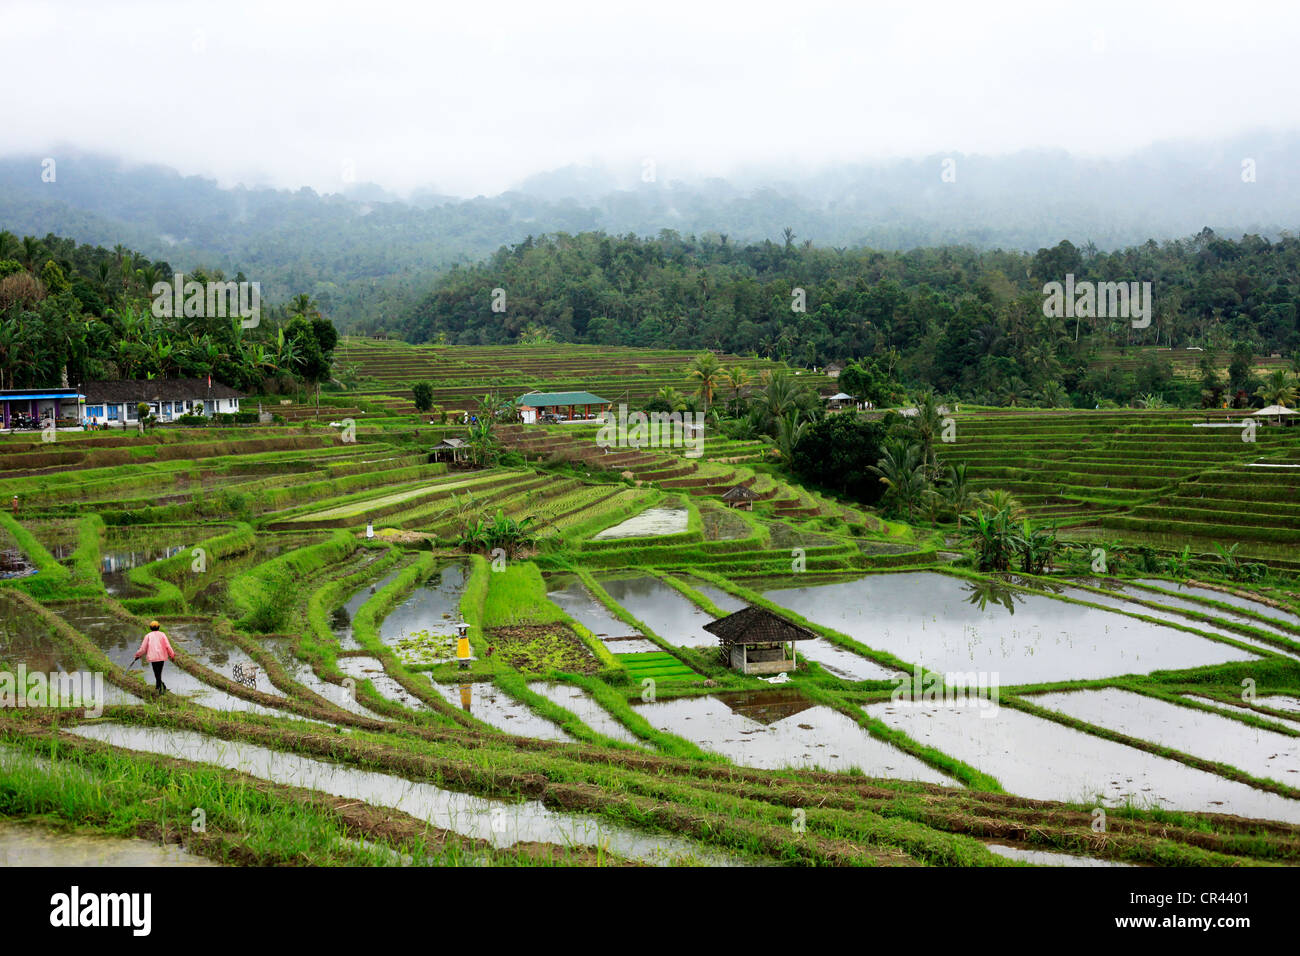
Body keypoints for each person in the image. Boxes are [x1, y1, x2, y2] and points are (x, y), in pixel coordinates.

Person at [134, 620, 176, 693]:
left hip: (153, 657)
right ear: (158, 627)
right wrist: (172, 655)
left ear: (150, 628)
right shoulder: (163, 634)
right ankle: (160, 686)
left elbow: (143, 648)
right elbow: (168, 646)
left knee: (156, 673)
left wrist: (138, 655)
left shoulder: (148, 636)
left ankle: (161, 687)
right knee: (159, 672)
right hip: (161, 656)